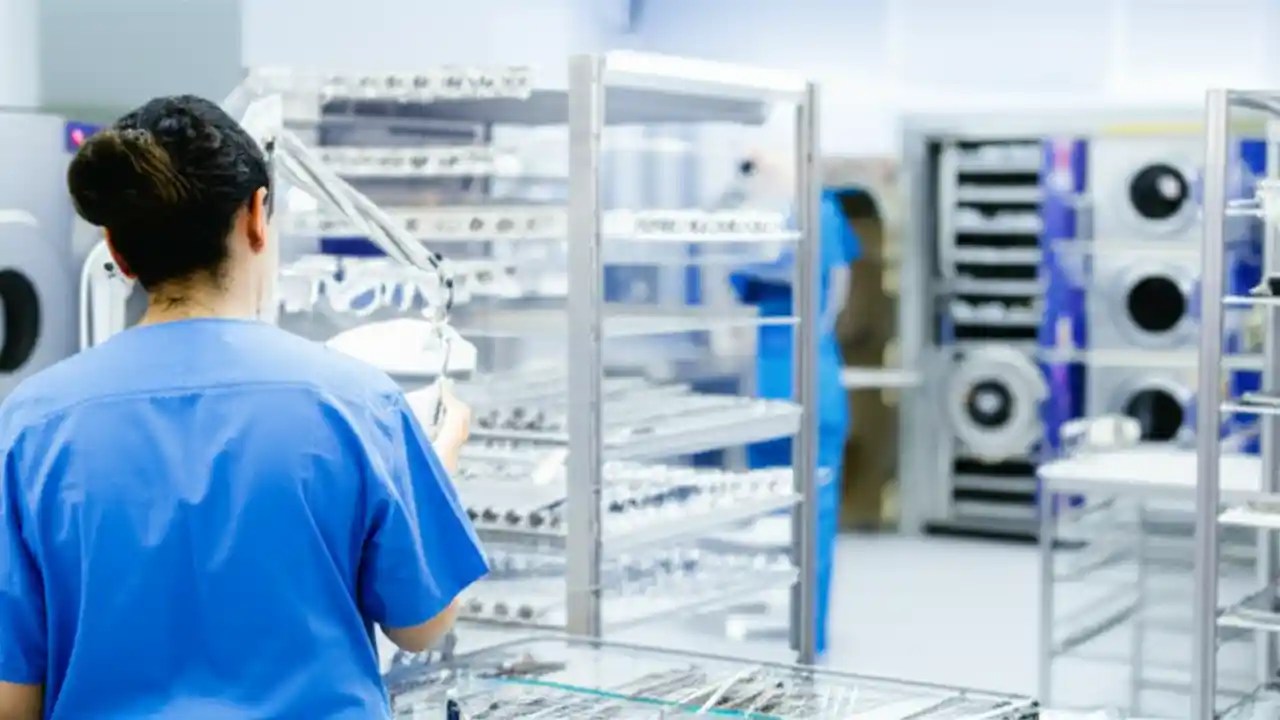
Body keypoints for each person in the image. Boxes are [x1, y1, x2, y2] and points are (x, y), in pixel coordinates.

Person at [0, 95, 488, 719]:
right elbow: (422, 626)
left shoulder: (32, 424)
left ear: (116, 251)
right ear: (257, 216)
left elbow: (12, 696)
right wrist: (439, 466)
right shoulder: (357, 403)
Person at [731, 183, 860, 658]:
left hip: (777, 380)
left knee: (773, 505)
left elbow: (739, 285)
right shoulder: (818, 211)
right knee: (808, 513)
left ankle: (780, 629)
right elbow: (837, 289)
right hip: (807, 375)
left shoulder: (767, 214)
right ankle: (803, 632)